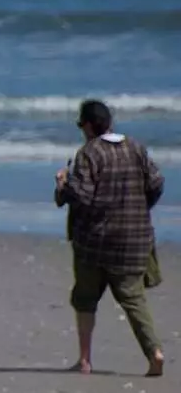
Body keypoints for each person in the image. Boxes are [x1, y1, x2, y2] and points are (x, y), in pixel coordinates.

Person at [55, 99, 165, 376]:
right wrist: (139, 209)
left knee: (85, 299)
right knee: (133, 299)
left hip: (95, 242)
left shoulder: (89, 153)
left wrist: (63, 185)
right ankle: (154, 352)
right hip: (135, 240)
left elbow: (83, 196)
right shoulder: (136, 147)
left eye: (82, 125)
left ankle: (84, 360)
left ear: (90, 126)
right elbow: (156, 183)